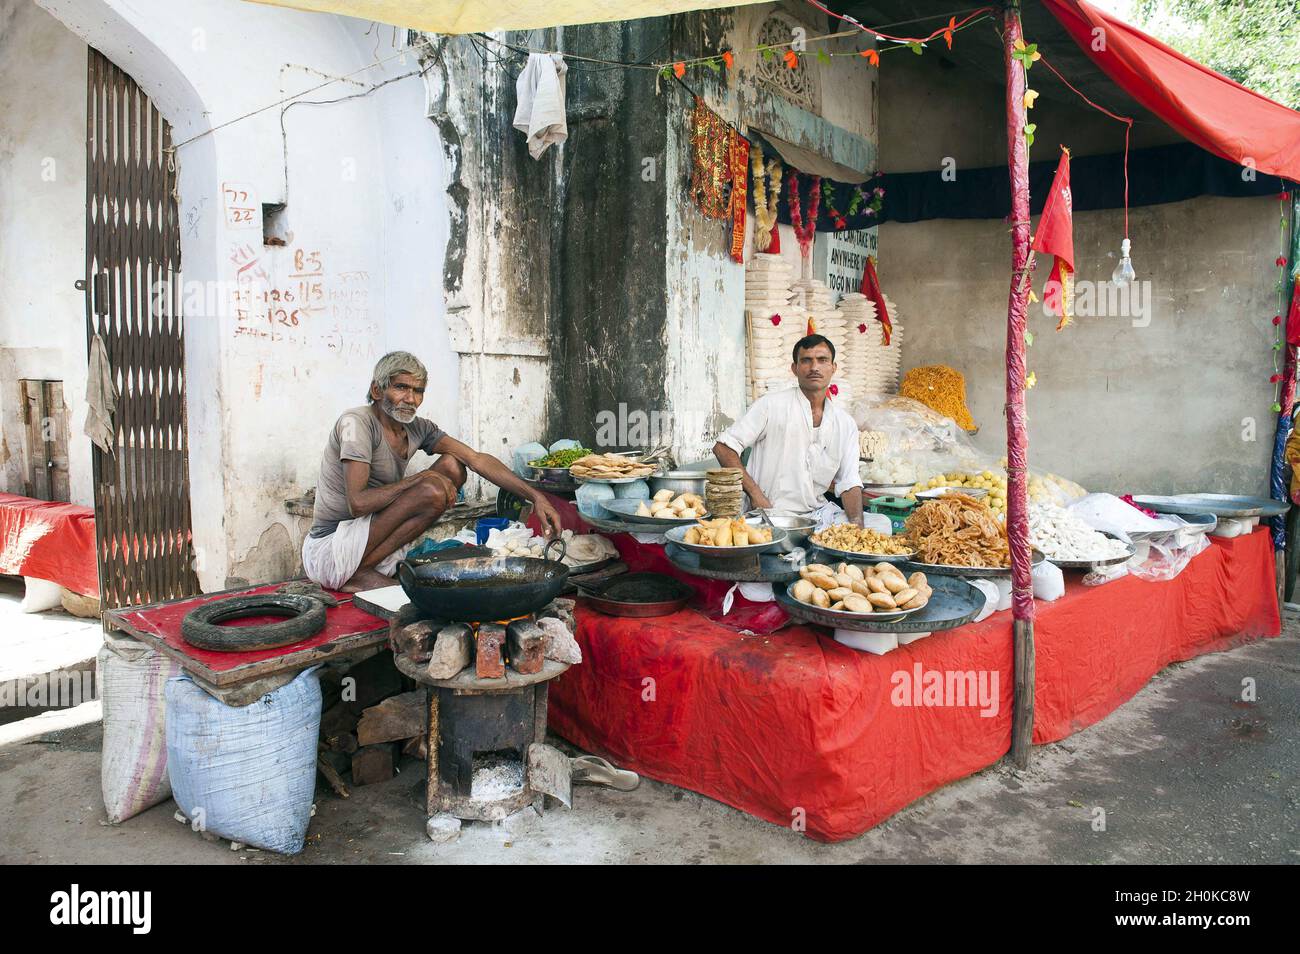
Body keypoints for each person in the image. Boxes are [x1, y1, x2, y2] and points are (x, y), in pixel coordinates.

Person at [303, 351, 563, 592]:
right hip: (331, 549)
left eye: (418, 391)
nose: (411, 398)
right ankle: (357, 572)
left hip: (369, 539)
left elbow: (475, 459)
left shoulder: (418, 427)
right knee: (431, 489)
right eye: (401, 387)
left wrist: (536, 497)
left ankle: (365, 567)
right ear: (377, 389)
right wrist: (421, 478)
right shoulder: (356, 422)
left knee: (453, 465)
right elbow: (357, 504)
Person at [713, 334, 864, 526]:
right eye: (806, 360)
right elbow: (723, 448)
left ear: (833, 368)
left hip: (816, 514)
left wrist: (857, 525)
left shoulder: (845, 423)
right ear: (795, 368)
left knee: (880, 524)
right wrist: (755, 493)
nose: (814, 367)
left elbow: (849, 481)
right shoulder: (771, 405)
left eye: (822, 360)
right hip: (768, 514)